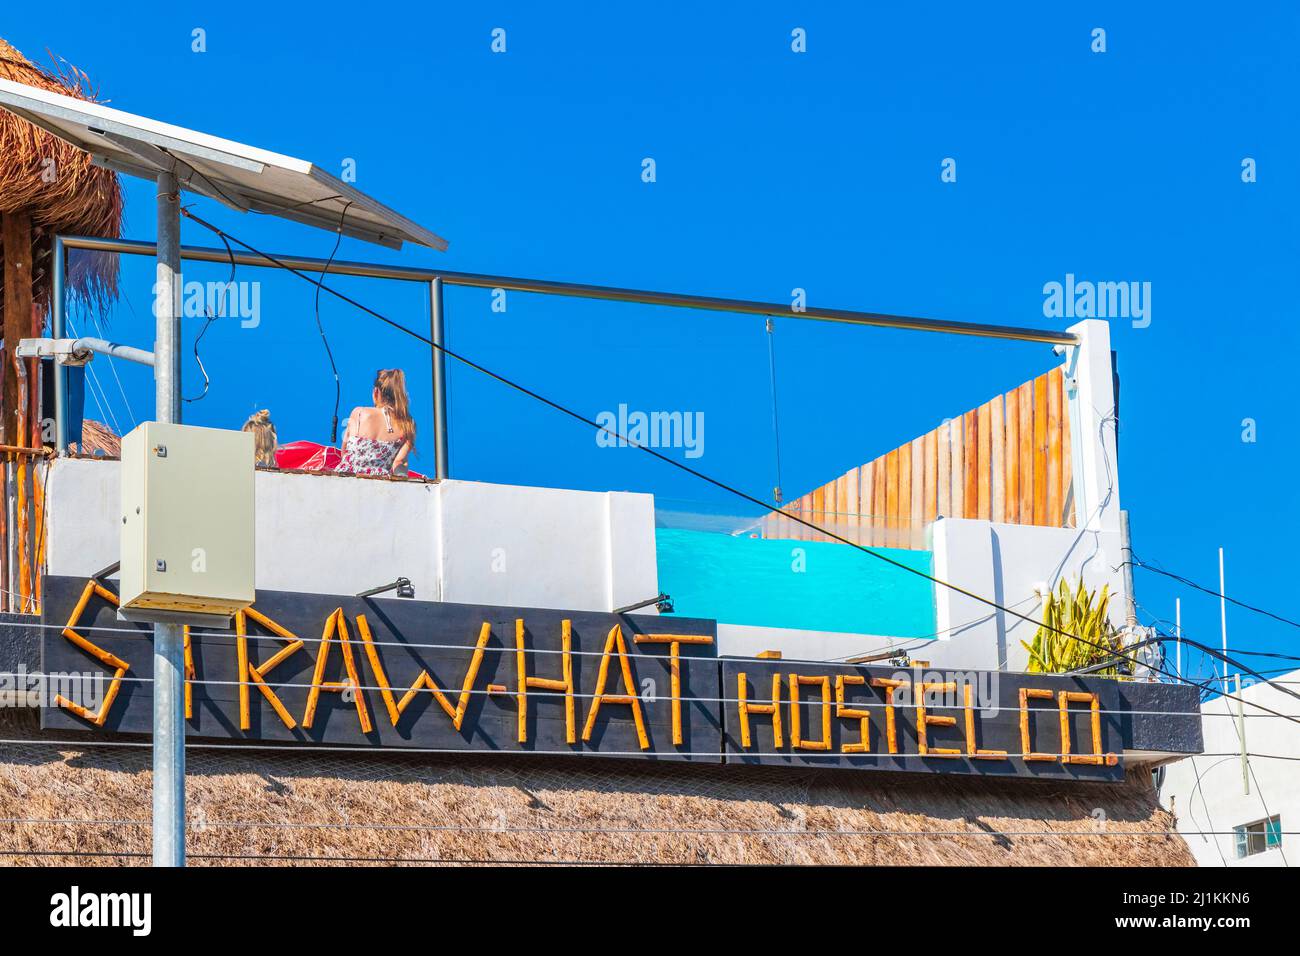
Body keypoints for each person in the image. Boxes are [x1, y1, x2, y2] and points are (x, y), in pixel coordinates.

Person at [338, 369, 415, 477]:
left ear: (376, 392)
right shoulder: (407, 425)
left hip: (348, 477)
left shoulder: (359, 413)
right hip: (380, 483)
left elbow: (344, 452)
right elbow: (399, 463)